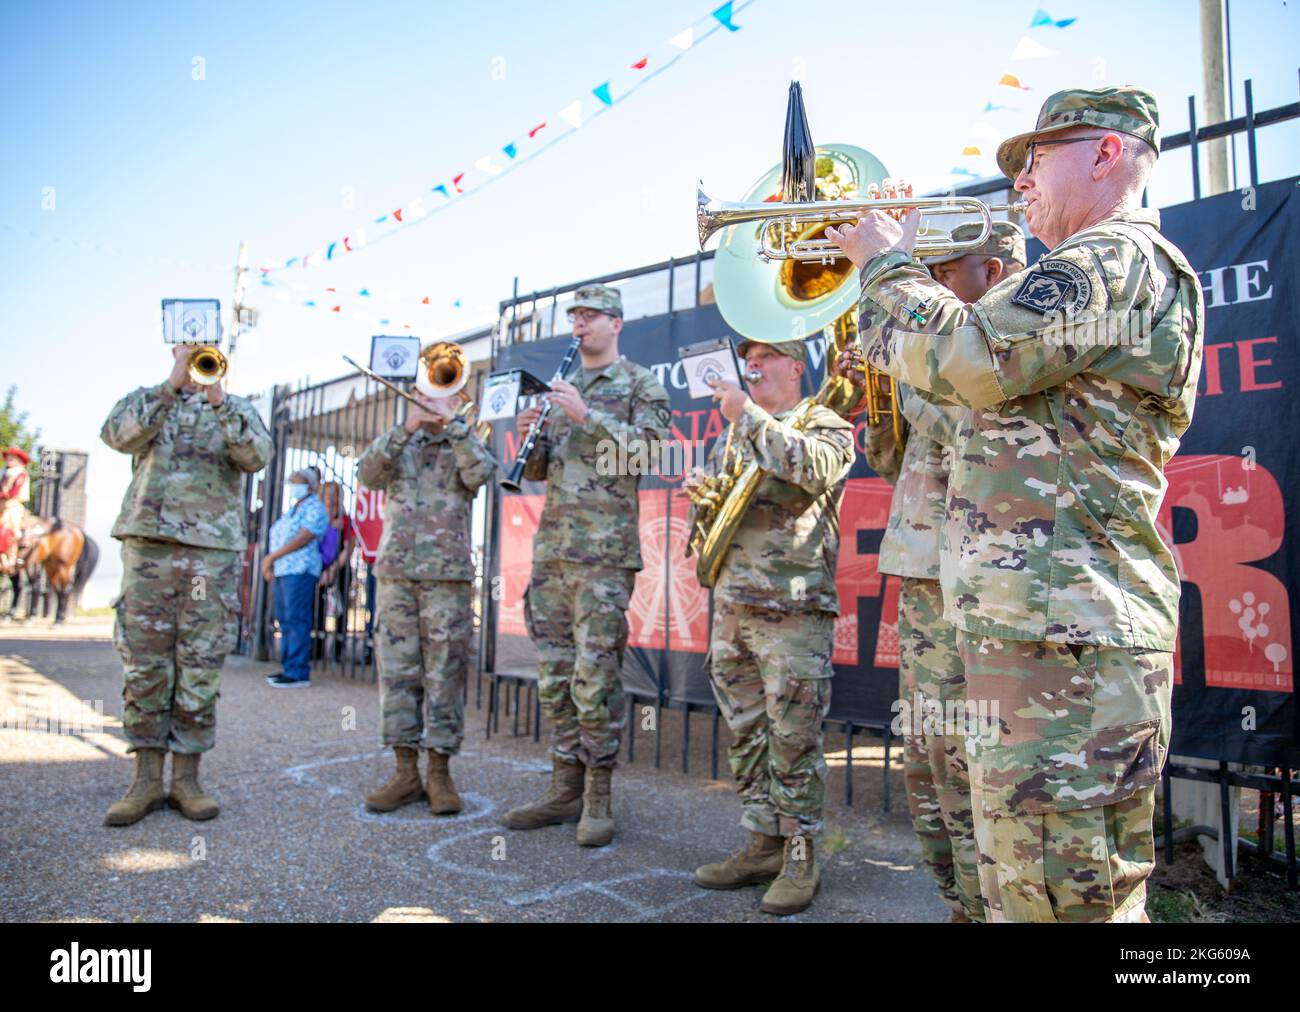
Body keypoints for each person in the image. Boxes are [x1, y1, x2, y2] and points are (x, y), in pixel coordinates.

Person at [829, 87, 1204, 922]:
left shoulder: (1112, 258)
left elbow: (969, 356)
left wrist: (883, 262)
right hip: (1037, 633)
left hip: (1069, 643)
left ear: (1106, 153)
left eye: (1034, 160)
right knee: (1021, 893)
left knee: (1065, 906)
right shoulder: (1095, 268)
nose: (1019, 184)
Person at [850, 220, 1026, 923]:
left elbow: (975, 421)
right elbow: (896, 462)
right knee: (928, 759)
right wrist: (879, 393)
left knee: (978, 762)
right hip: (927, 571)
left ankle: (992, 907)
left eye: (938, 275)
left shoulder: (1006, 331)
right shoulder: (939, 351)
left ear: (988, 269)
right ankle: (959, 902)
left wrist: (903, 364)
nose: (924, 291)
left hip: (988, 578)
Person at [686, 337, 854, 916]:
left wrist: (748, 416)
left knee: (795, 737)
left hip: (792, 610)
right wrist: (699, 499)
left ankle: (802, 853)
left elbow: (812, 471)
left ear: (795, 363)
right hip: (734, 604)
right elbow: (714, 513)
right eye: (747, 357)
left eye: (766, 355)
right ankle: (763, 842)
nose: (752, 365)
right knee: (748, 733)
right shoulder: (737, 430)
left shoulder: (824, 421)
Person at [501, 284, 671, 847]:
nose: (580, 324)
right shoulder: (560, 389)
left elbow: (651, 454)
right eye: (575, 315)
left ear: (616, 323)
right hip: (553, 553)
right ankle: (564, 785)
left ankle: (598, 792)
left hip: (604, 557)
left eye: (590, 315)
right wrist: (530, 437)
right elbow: (543, 471)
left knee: (593, 679)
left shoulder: (639, 384)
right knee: (554, 677)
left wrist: (586, 414)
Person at [100, 345, 272, 825]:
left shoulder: (236, 411)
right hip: (149, 548)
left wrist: (217, 398)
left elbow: (256, 456)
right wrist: (172, 383)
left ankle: (188, 778)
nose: (198, 364)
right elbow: (119, 436)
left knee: (199, 661)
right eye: (192, 356)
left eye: (205, 357)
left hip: (207, 556)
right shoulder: (150, 399)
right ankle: (146, 780)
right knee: (145, 662)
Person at [356, 388, 496, 815]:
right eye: (427, 393)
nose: (433, 400)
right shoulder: (401, 439)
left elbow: (481, 474)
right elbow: (367, 473)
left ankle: (439, 772)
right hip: (397, 573)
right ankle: (403, 772)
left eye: (446, 393)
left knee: (444, 673)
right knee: (397, 674)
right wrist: (409, 425)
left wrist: (453, 425)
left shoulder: (467, 437)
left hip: (447, 576)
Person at [262, 466, 329, 688]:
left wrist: (271, 558)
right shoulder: (294, 509)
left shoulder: (314, 508)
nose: (292, 485)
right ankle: (288, 667)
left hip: (300, 570)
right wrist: (272, 562)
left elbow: (303, 538)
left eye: (296, 481)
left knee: (297, 619)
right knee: (285, 619)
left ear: (309, 485)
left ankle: (298, 671)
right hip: (284, 570)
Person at [316, 480, 356, 663]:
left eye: (337, 493)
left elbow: (349, 548)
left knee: (341, 610)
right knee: (316, 608)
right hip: (317, 567)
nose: (333, 497)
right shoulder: (317, 517)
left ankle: (338, 651)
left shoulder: (346, 520)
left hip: (340, 569)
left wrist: (333, 569)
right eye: (329, 493)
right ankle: (315, 647)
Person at [0, 446, 31, 568]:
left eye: (12, 457)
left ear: (18, 459)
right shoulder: (4, 472)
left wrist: (2, 495)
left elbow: (14, 492)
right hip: (2, 504)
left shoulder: (21, 473)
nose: (9, 459)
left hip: (13, 505)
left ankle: (11, 558)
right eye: (8, 457)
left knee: (10, 527)